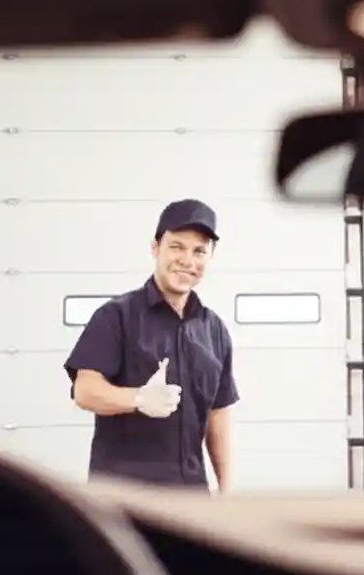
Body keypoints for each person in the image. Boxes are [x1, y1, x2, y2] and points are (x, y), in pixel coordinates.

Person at [64, 198, 238, 491]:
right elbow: (85, 391)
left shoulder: (214, 329)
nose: (187, 260)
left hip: (191, 495)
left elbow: (218, 413)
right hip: (126, 495)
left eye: (199, 251)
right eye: (177, 247)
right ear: (156, 248)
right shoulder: (116, 316)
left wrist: (227, 490)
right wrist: (139, 399)